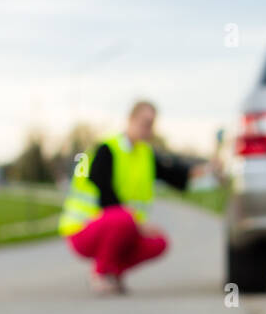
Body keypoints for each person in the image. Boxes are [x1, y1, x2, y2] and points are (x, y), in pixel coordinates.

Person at [59, 101, 209, 294]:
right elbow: (105, 196)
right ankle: (101, 273)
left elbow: (177, 175)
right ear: (131, 119)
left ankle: (114, 272)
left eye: (152, 124)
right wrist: (137, 223)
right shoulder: (107, 149)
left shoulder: (146, 155)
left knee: (159, 242)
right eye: (144, 122)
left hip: (123, 226)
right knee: (124, 218)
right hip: (84, 229)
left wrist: (208, 170)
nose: (148, 129)